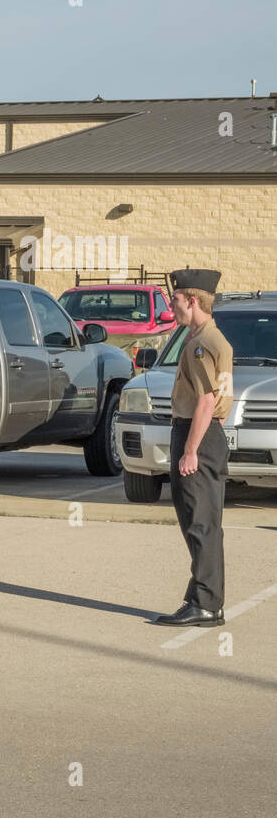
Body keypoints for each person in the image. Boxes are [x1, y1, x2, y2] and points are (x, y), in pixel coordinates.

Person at [154, 268, 232, 628]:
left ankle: (205, 603)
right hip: (208, 434)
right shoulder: (211, 339)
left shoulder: (201, 344)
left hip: (198, 432)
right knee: (204, 523)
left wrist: (190, 450)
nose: (172, 305)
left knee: (198, 522)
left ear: (193, 300)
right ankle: (201, 597)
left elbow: (204, 401)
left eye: (175, 299)